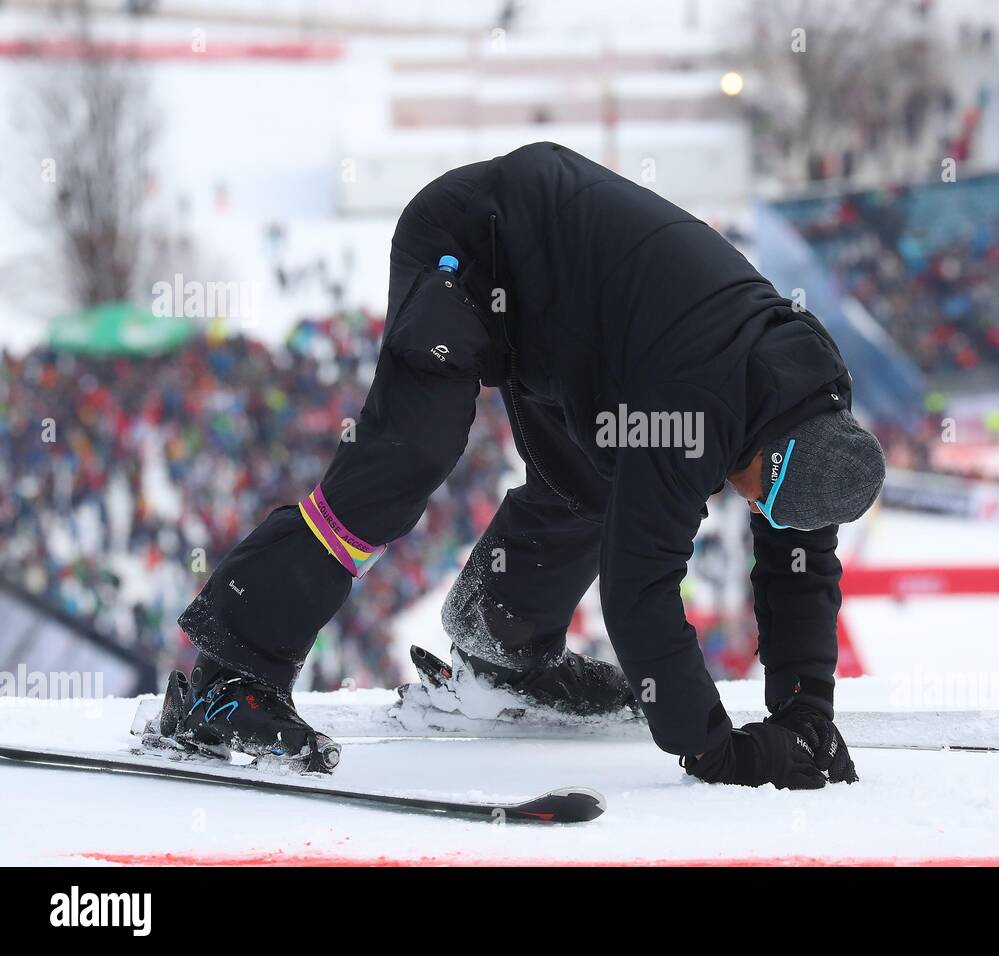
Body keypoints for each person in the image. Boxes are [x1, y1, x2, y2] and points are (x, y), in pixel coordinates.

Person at [172, 143, 885, 790]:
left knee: (596, 482)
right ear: (772, 450)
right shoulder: (697, 409)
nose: (763, 517)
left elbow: (802, 561)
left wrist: (805, 714)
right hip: (472, 241)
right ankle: (227, 676)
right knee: (407, 456)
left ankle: (502, 642)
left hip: (572, 317)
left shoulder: (811, 412)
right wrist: (719, 752)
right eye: (767, 498)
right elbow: (639, 591)